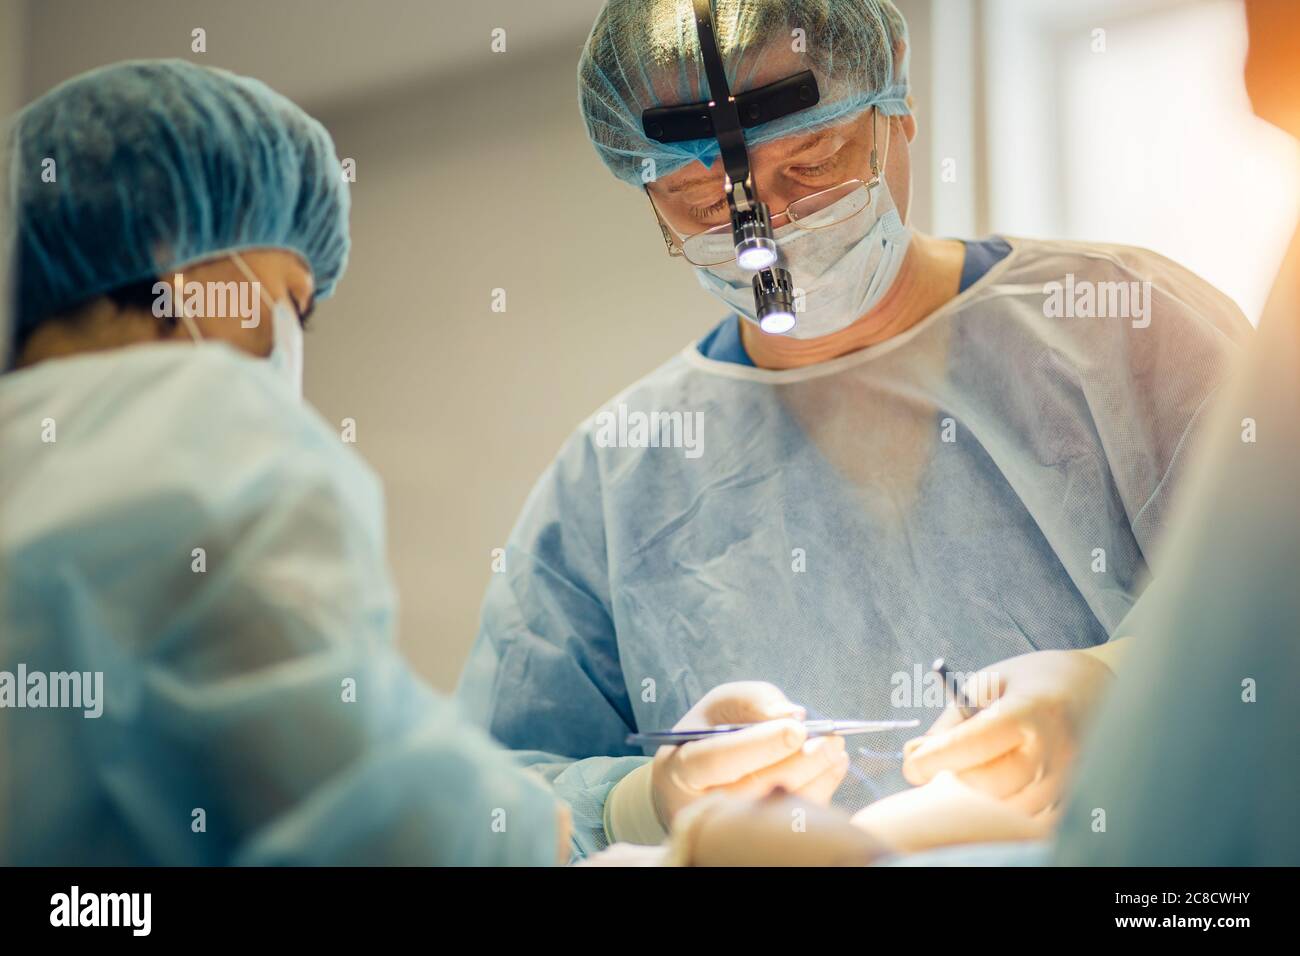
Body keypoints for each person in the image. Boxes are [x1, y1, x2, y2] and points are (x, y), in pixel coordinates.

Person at [457, 0, 1253, 856]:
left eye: (811, 163)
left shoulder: (1122, 328)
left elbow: (1278, 610)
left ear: (895, 101)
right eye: (697, 200)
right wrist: (646, 802)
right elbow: (486, 810)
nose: (762, 234)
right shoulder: (616, 478)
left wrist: (1114, 688)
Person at [0, 59, 566, 865]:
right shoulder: (200, 438)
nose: (289, 343)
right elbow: (394, 830)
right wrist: (597, 824)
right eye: (292, 305)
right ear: (169, 243)